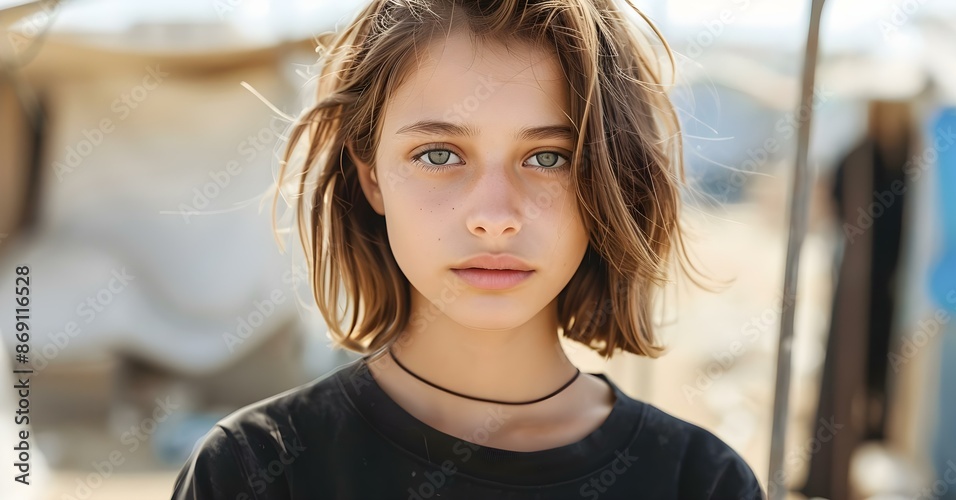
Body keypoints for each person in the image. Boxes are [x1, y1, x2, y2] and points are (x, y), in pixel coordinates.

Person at [171, 0, 764, 498]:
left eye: (548, 158)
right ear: (370, 174)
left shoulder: (699, 482)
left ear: (608, 177)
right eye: (438, 155)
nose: (494, 218)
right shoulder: (254, 471)